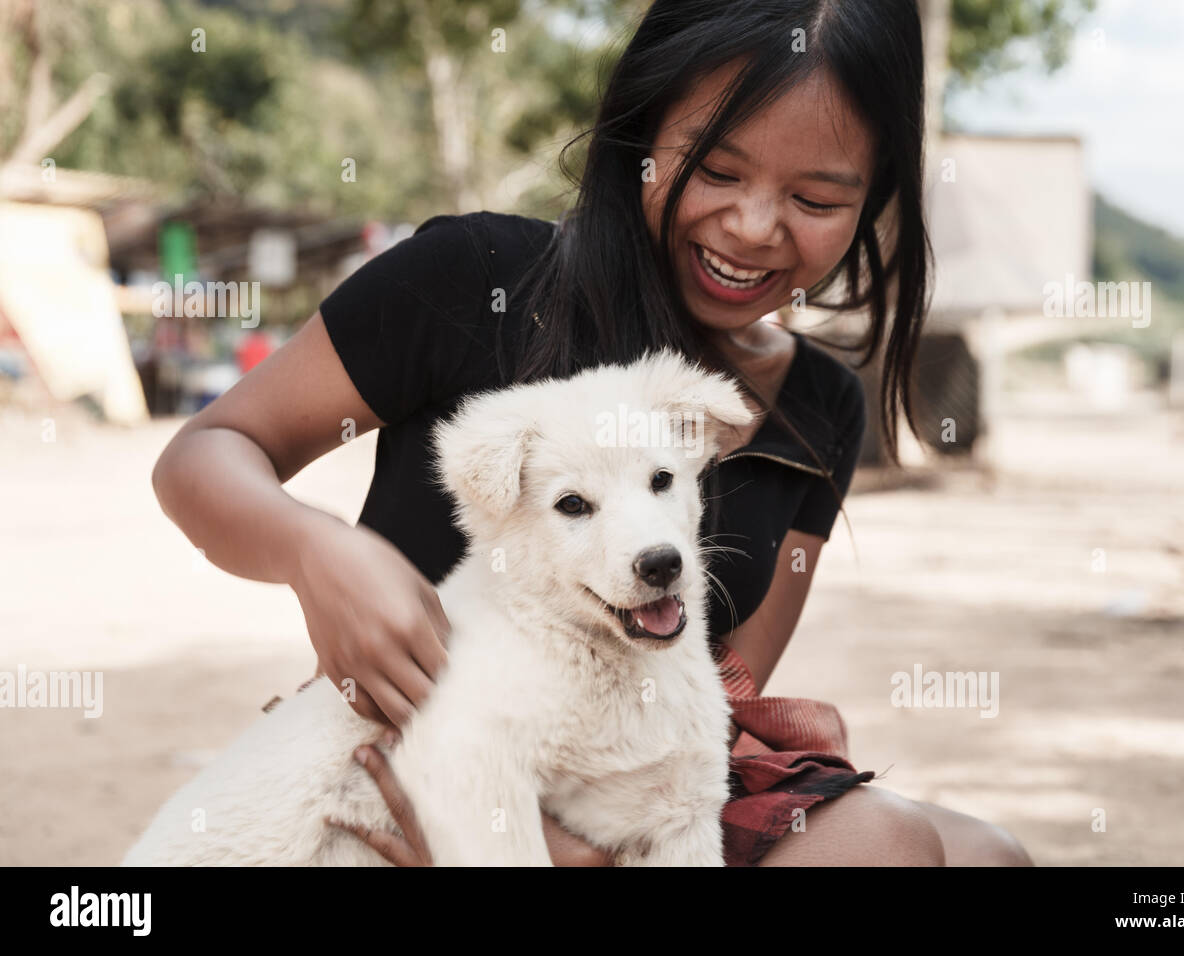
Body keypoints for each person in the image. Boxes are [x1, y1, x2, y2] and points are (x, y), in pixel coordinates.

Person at [151, 0, 1031, 866]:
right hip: (413, 772)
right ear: (641, 134)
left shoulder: (817, 406)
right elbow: (206, 454)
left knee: (987, 856)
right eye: (717, 172)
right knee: (884, 846)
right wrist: (313, 552)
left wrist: (582, 856)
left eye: (814, 197)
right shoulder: (477, 281)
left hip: (605, 785)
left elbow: (715, 694)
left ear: (873, 198)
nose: (755, 227)